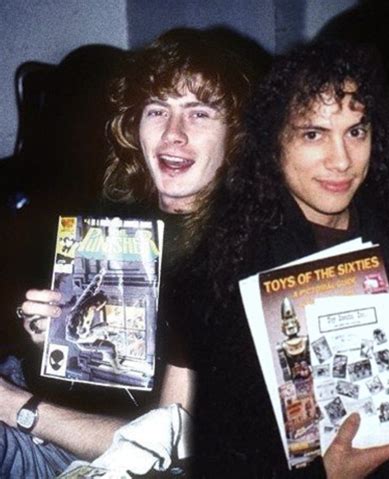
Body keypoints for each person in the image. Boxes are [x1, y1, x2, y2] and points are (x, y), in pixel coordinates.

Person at [169, 40, 389, 477]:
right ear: (274, 142)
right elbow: (225, 455)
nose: (342, 160)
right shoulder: (229, 267)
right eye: (313, 134)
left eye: (356, 131)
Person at [0, 27, 261, 478]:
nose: (173, 133)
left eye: (199, 113)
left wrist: (16, 406)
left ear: (237, 136)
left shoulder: (236, 255)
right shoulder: (120, 213)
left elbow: (165, 451)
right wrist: (49, 330)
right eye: (157, 109)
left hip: (86, 447)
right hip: (30, 393)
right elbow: (69, 348)